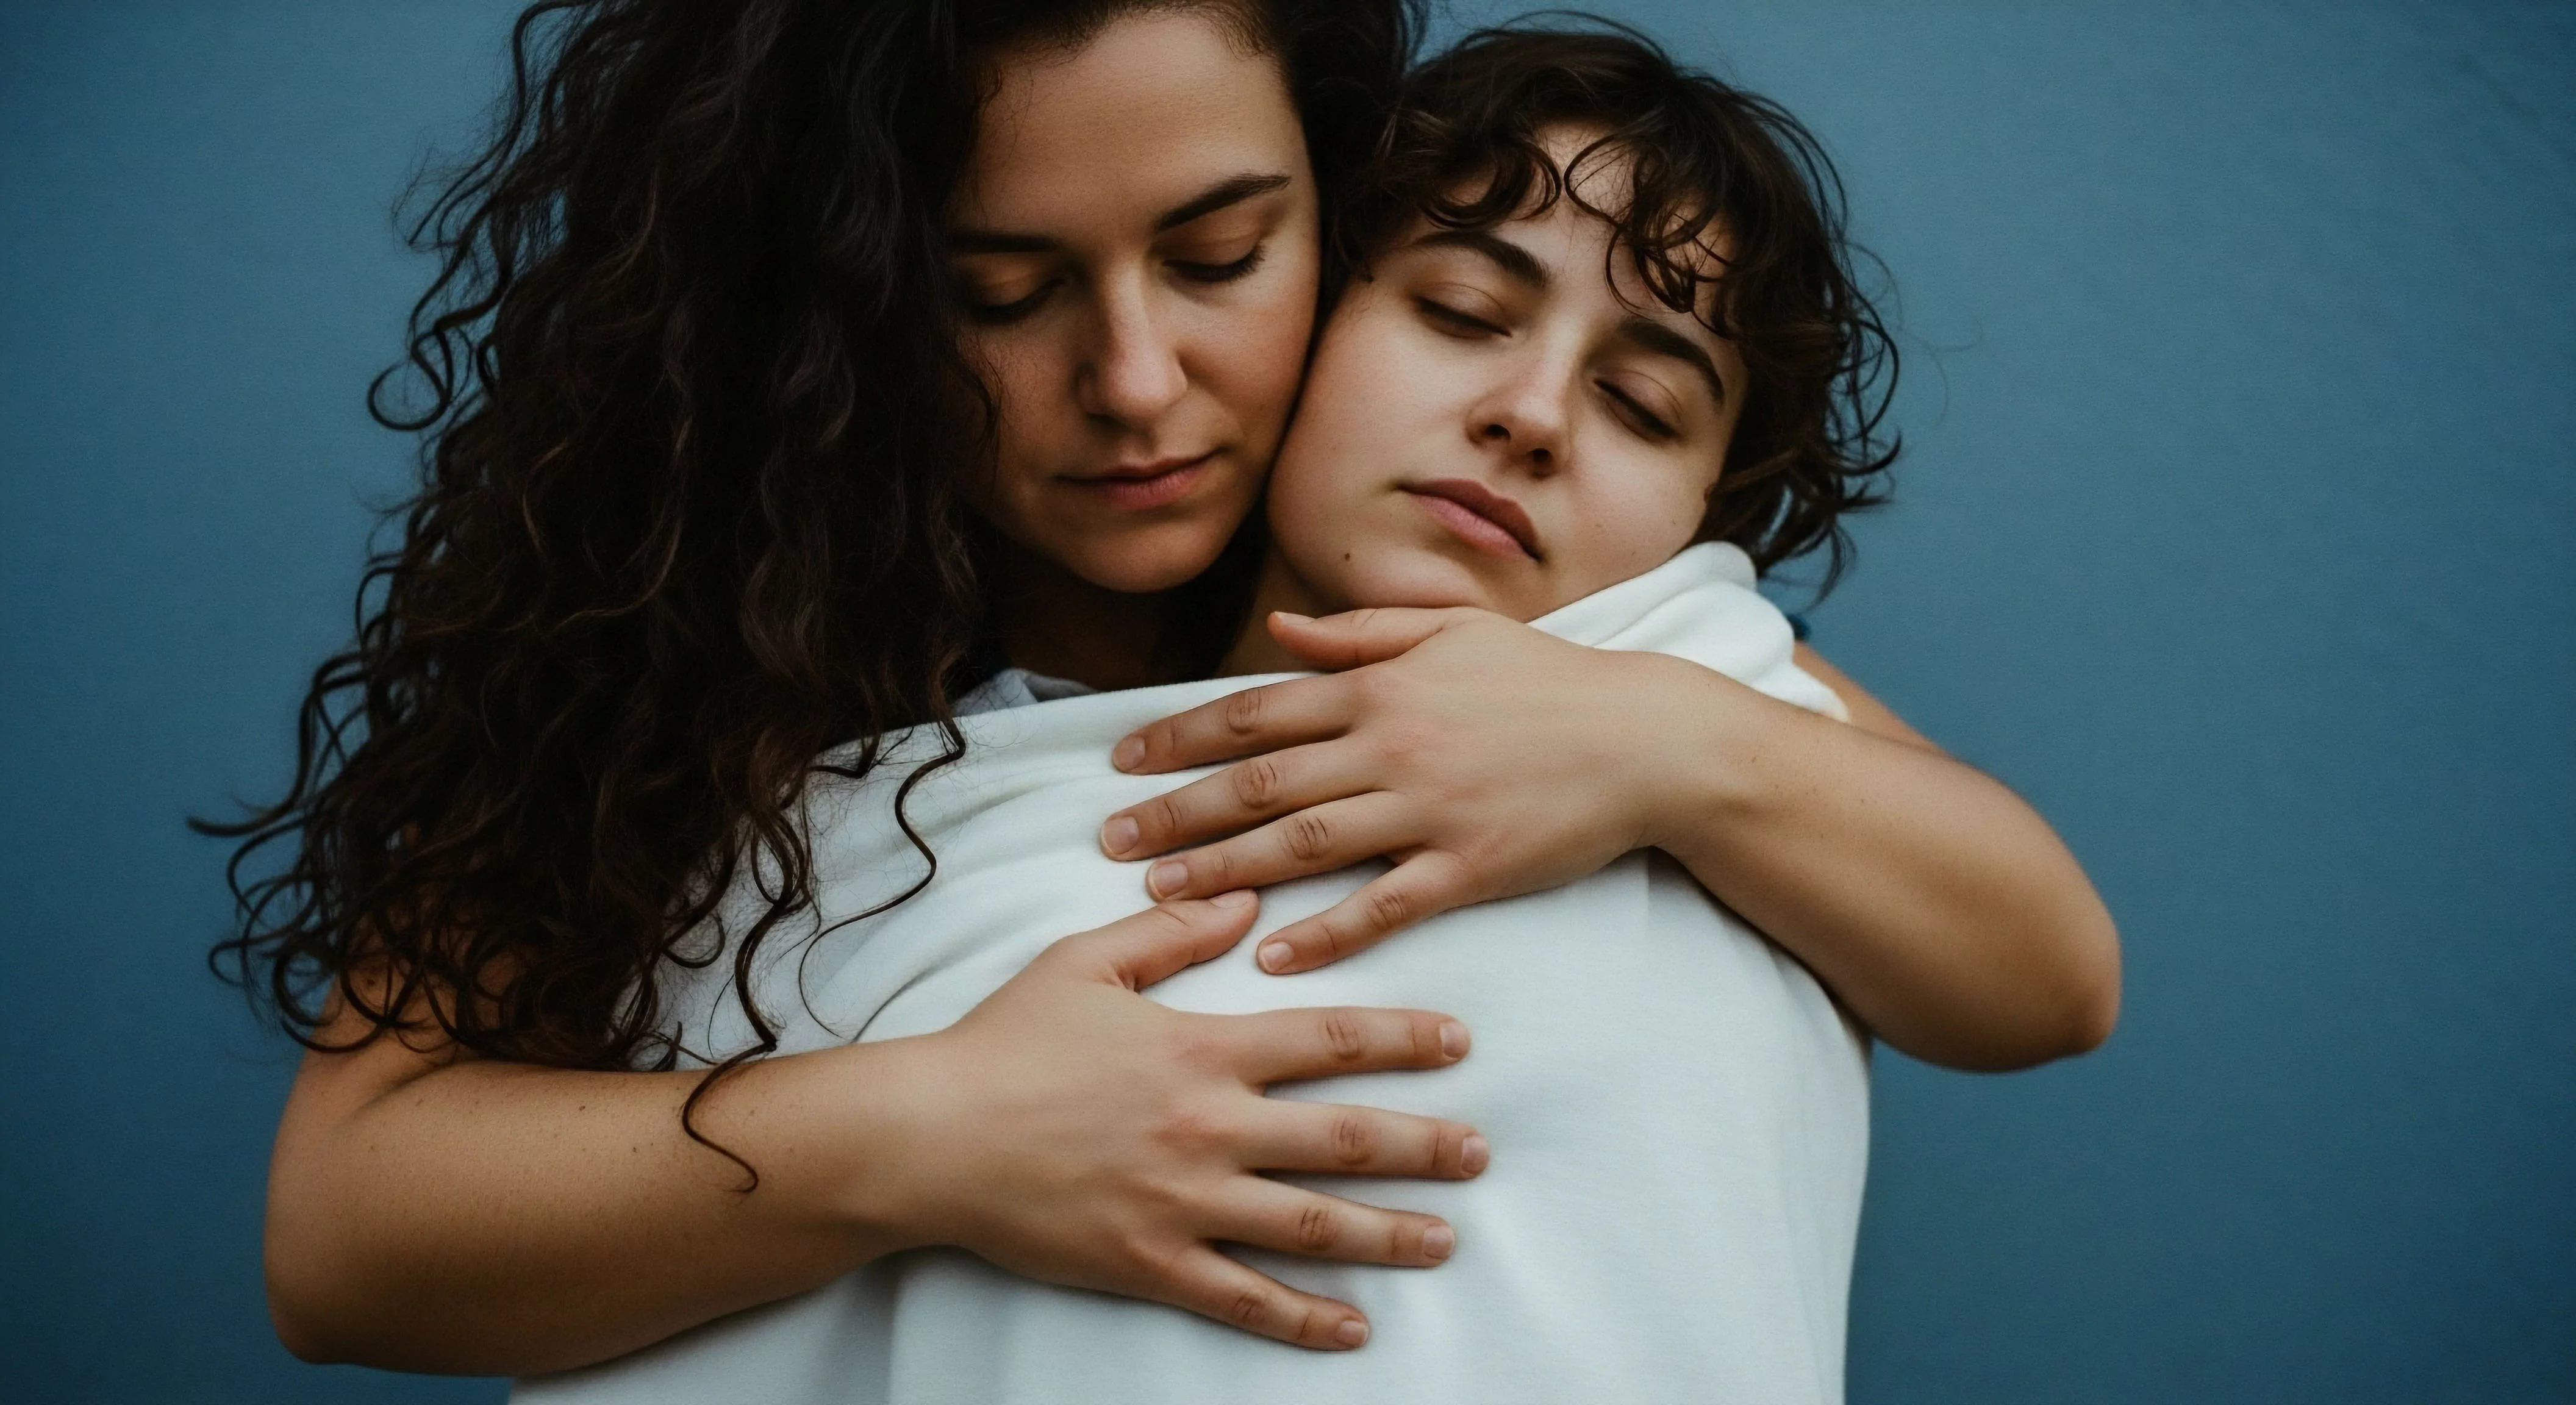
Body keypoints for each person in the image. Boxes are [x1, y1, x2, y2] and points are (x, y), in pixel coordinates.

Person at [212, 0, 2116, 1378]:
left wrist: (1667, 745)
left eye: (1221, 255)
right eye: (1002, 290)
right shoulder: (698, 673)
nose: (1136, 384)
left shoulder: (1615, 644)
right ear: (850, 289)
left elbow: (2045, 968)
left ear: (1337, 206)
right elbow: (350, 1240)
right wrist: (933, 1136)